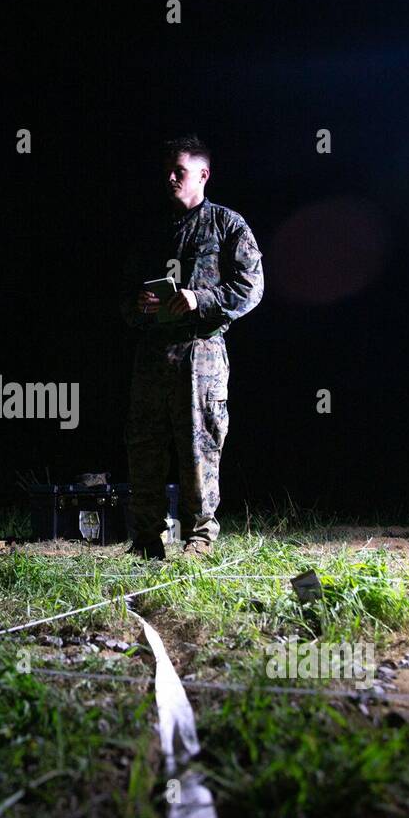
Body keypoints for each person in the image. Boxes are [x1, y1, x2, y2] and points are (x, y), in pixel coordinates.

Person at [120, 135, 264, 559]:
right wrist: (138, 305)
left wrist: (200, 299)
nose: (170, 178)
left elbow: (251, 287)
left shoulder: (227, 225)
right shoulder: (152, 229)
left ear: (203, 175)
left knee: (200, 445)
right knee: (144, 444)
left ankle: (199, 539)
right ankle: (146, 540)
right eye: (167, 170)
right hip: (152, 353)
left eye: (179, 171)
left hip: (200, 353)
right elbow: (124, 295)